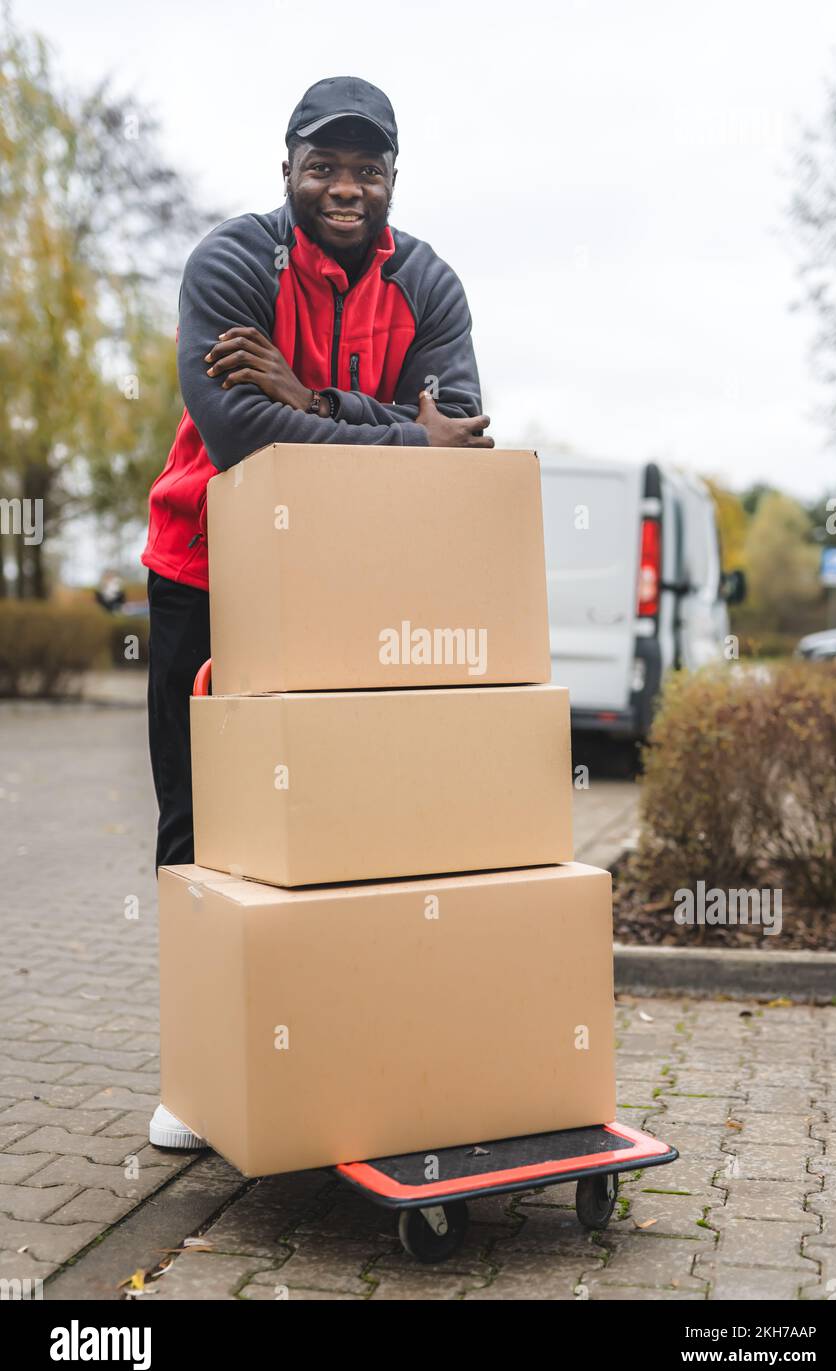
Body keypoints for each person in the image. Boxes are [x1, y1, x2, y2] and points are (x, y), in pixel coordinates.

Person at [143, 76, 493, 1149]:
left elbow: (464, 438)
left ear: (391, 176)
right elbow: (237, 430)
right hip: (209, 573)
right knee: (203, 827)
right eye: (323, 165)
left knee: (347, 826)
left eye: (366, 167)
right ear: (287, 168)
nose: (345, 186)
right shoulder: (233, 263)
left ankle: (341, 1054)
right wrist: (380, 427)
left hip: (357, 577)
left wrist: (312, 398)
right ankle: (199, 1078)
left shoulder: (425, 281)